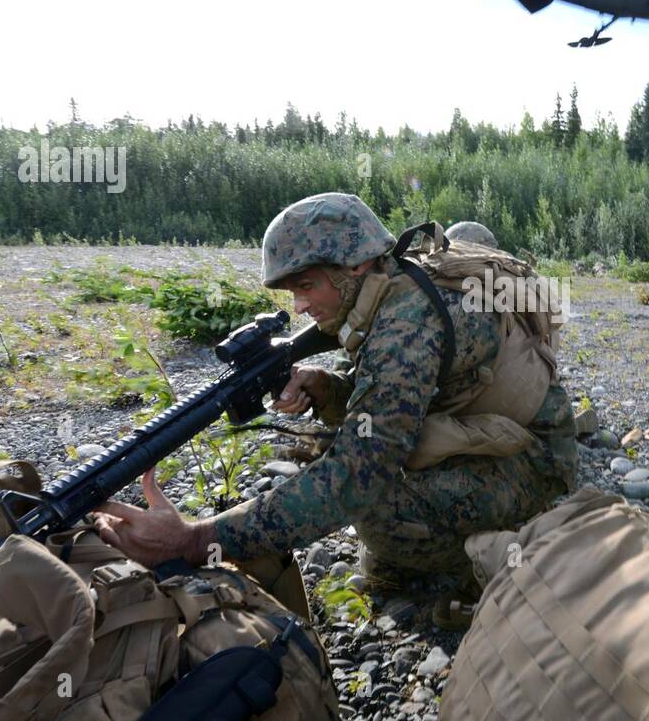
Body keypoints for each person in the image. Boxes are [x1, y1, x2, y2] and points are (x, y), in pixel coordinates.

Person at [93, 193, 577, 628]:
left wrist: (195, 539)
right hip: (487, 426)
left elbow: (355, 478)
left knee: (381, 516)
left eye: (307, 286)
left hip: (536, 460)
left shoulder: (408, 323)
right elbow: (396, 397)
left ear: (357, 267)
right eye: (291, 293)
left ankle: (499, 555)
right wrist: (327, 390)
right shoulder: (391, 288)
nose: (300, 307)